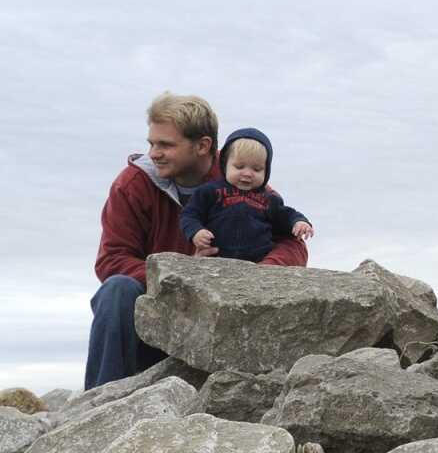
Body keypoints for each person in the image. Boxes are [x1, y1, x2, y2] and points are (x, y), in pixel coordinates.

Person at [87, 94, 308, 388]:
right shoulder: (132, 185)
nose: (153, 153)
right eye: (152, 143)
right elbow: (112, 259)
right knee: (117, 289)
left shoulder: (240, 177)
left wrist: (262, 273)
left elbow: (292, 243)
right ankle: (101, 402)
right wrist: (180, 275)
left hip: (224, 317)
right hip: (157, 316)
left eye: (165, 145)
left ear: (203, 146)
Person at [180, 127, 314, 261]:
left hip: (257, 262)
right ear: (225, 165)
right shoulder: (209, 191)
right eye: (239, 167)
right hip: (216, 258)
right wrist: (196, 232)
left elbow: (286, 216)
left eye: (257, 169)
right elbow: (189, 215)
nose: (247, 174)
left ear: (266, 171)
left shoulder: (270, 199)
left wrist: (299, 222)